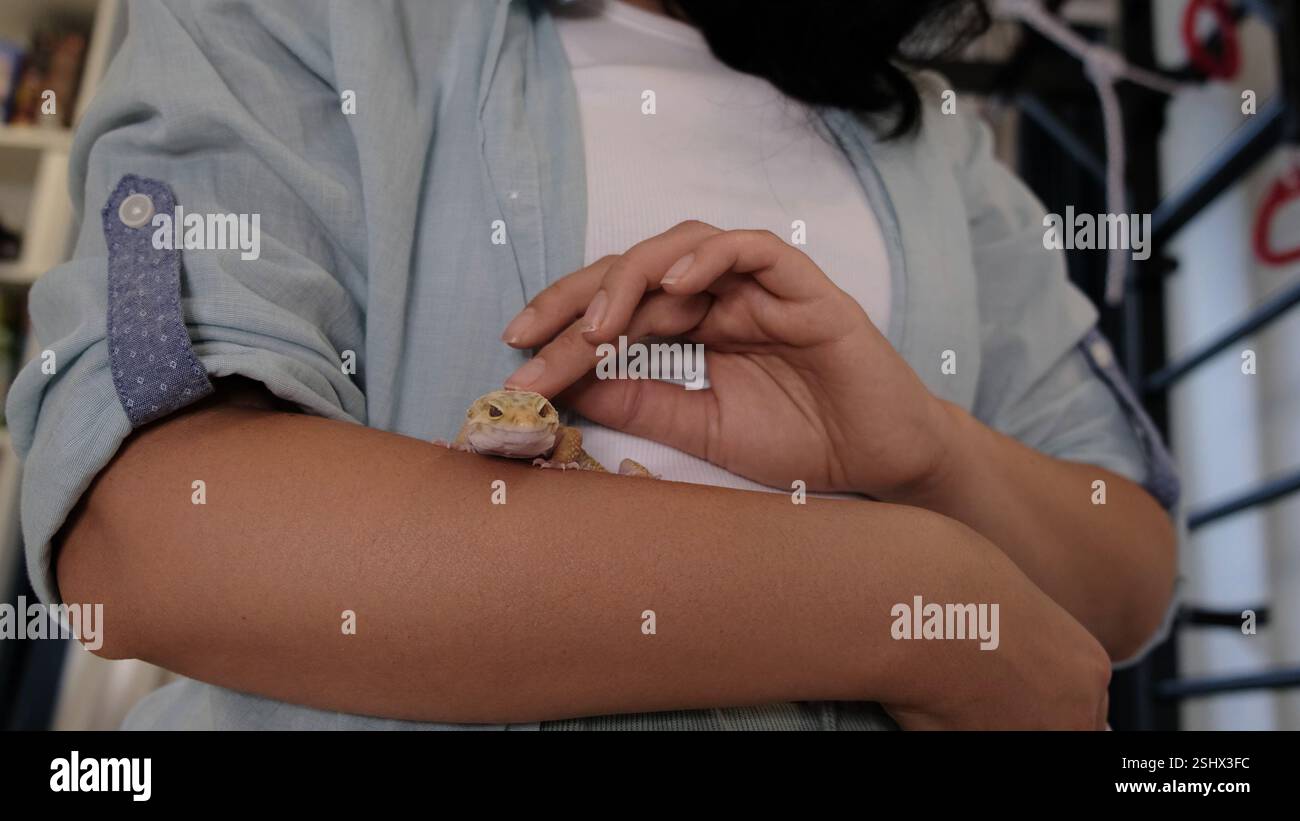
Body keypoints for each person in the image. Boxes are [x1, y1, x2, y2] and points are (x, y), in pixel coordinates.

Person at [7, 0, 1179, 730]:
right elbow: (148, 533)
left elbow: (1126, 581)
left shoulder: (937, 144)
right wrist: (910, 597)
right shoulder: (313, 18)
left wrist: (929, 452)